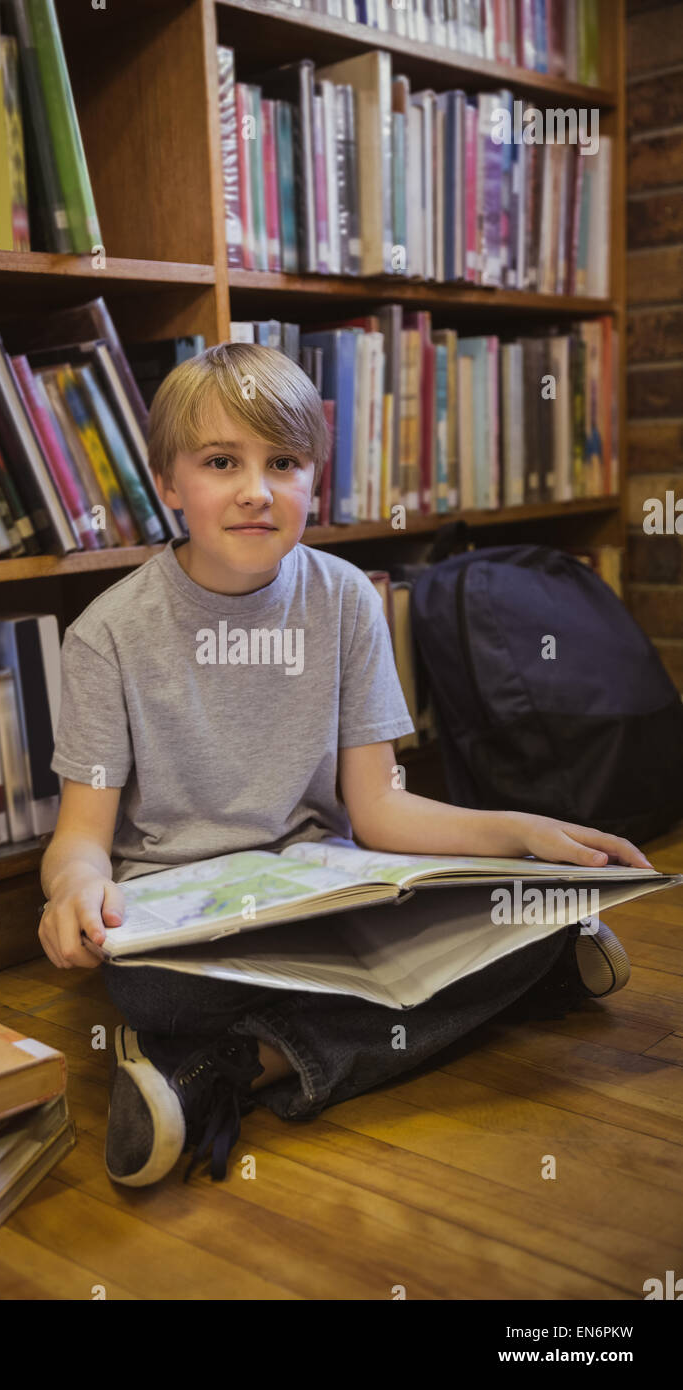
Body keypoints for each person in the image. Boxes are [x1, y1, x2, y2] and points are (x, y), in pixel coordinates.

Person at [38, 342, 650, 1189]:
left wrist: (522, 833)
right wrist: (72, 889)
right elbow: (82, 838)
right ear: (170, 486)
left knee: (514, 906)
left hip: (322, 895)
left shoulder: (347, 599)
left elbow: (382, 811)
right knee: (153, 996)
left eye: (283, 462)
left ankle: (235, 1067)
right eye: (222, 463)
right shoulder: (106, 635)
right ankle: (502, 979)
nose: (257, 489)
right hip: (185, 928)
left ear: (312, 481)